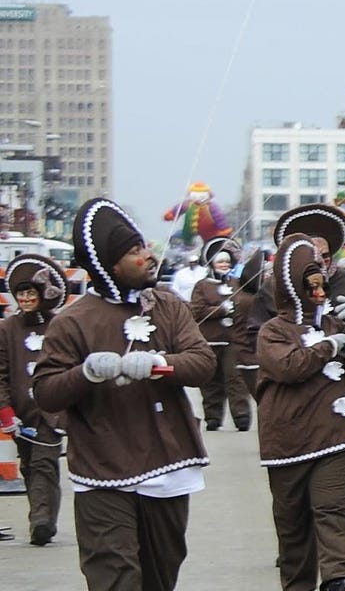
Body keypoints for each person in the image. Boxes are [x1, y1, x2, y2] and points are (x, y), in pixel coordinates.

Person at [32, 198, 216, 591]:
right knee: (115, 580)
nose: (148, 256)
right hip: (102, 471)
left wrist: (159, 363)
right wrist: (85, 373)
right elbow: (46, 392)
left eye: (143, 246)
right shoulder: (72, 322)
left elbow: (202, 364)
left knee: (160, 577)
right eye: (134, 252)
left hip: (168, 463)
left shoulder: (167, 305)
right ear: (107, 264)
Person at [255, 235, 345, 591]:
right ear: (291, 286)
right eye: (310, 285)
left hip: (336, 435)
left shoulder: (333, 322)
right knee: (293, 525)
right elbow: (288, 367)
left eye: (321, 283)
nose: (320, 292)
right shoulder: (273, 331)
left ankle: (340, 577)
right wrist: (329, 347)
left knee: (332, 510)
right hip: (287, 443)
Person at [4, 254, 70, 547]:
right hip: (20, 413)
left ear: (43, 295)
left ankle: (40, 521)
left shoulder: (59, 325)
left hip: (52, 410)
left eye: (31, 293)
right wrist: (6, 412)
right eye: (21, 294)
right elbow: (1, 373)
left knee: (45, 463)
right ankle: (44, 516)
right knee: (29, 466)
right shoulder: (6, 329)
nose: (26, 298)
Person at [183, 240, 250, 433]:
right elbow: (197, 311)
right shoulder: (202, 286)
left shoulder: (236, 283)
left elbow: (246, 306)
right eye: (220, 261)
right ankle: (213, 417)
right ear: (211, 263)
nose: (224, 265)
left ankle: (241, 417)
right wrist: (221, 309)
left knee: (235, 378)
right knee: (211, 381)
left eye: (227, 262)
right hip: (211, 340)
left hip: (232, 340)